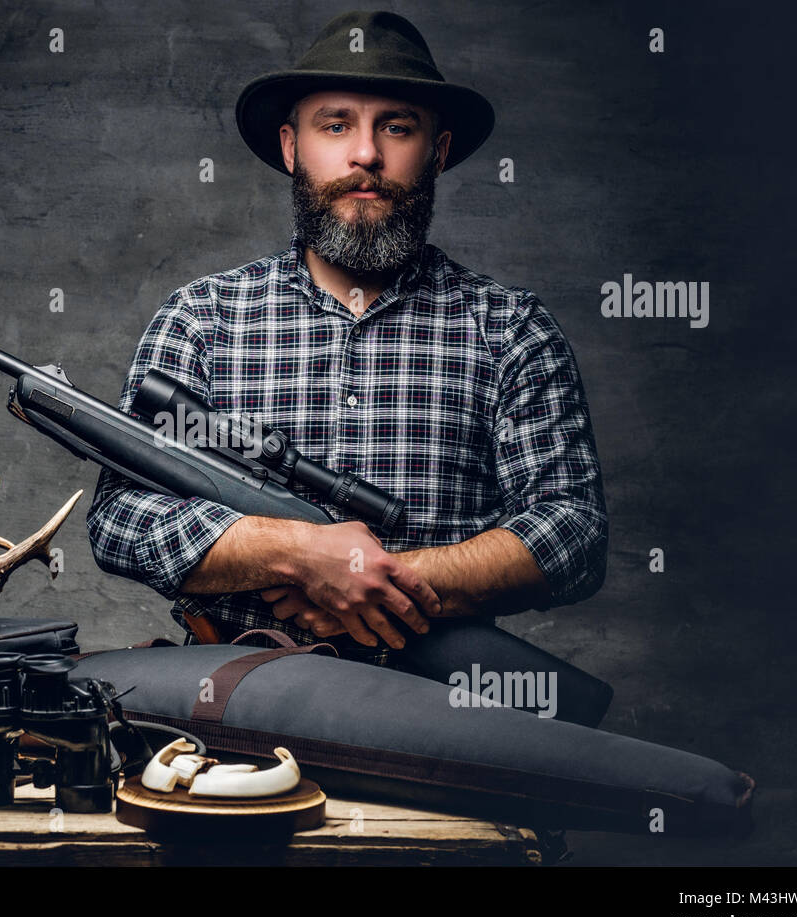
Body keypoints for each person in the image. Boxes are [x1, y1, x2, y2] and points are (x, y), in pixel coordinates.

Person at [86, 11, 608, 689]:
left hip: (443, 724)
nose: (365, 155)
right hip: (232, 711)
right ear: (290, 147)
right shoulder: (201, 318)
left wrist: (390, 580)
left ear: (439, 150)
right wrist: (294, 553)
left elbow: (573, 533)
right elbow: (119, 520)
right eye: (335, 124)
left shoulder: (510, 328)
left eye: (397, 126)